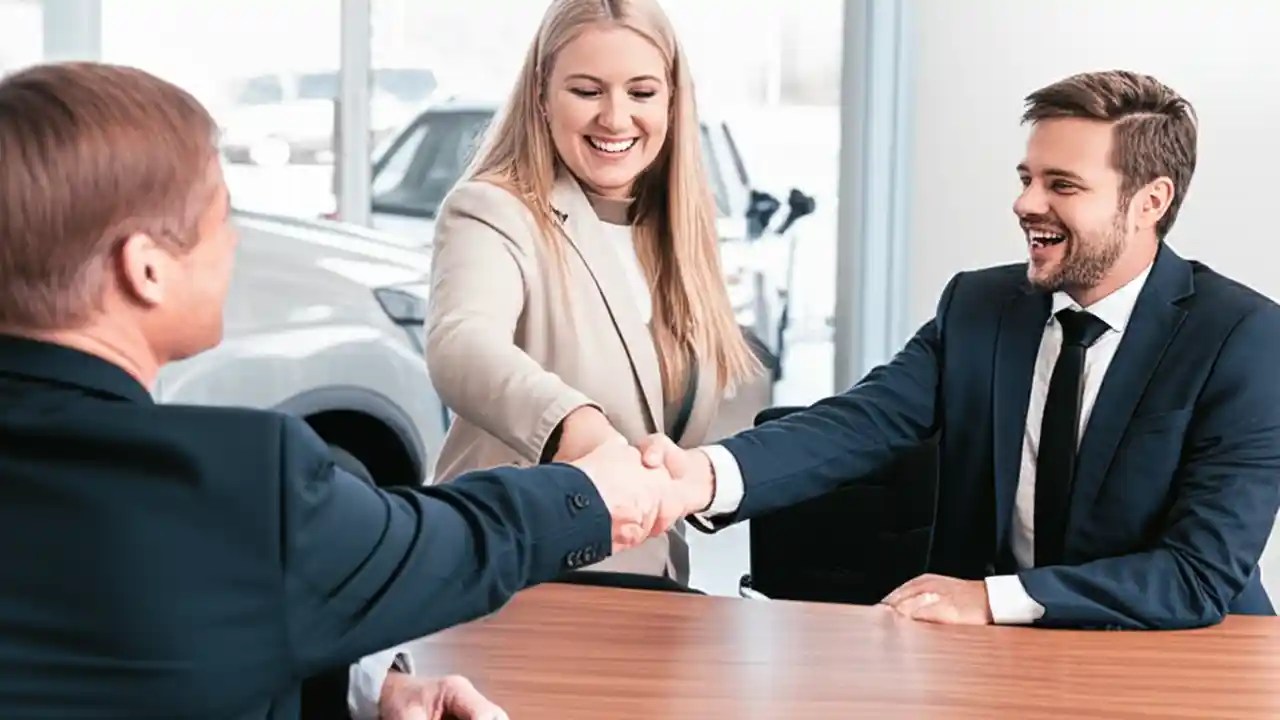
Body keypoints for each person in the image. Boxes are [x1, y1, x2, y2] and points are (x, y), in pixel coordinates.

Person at [0, 61, 695, 719]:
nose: (234, 243)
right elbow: (451, 541)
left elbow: (155, 651)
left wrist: (366, 692)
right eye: (220, 217)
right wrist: (596, 492)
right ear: (145, 270)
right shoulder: (234, 486)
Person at [641, 69, 1280, 630]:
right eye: (1027, 178)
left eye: (1063, 185)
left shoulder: (1243, 338)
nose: (1026, 203)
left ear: (1150, 202)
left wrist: (995, 599)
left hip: (1186, 661)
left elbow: (1197, 574)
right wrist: (705, 475)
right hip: (988, 662)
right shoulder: (980, 307)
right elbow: (863, 420)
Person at [423, 0, 762, 589]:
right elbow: (462, 344)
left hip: (646, 591)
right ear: (541, 94)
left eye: (641, 92)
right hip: (514, 581)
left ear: (672, 101)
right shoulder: (493, 209)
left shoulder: (679, 231)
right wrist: (585, 432)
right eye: (587, 90)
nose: (615, 117)